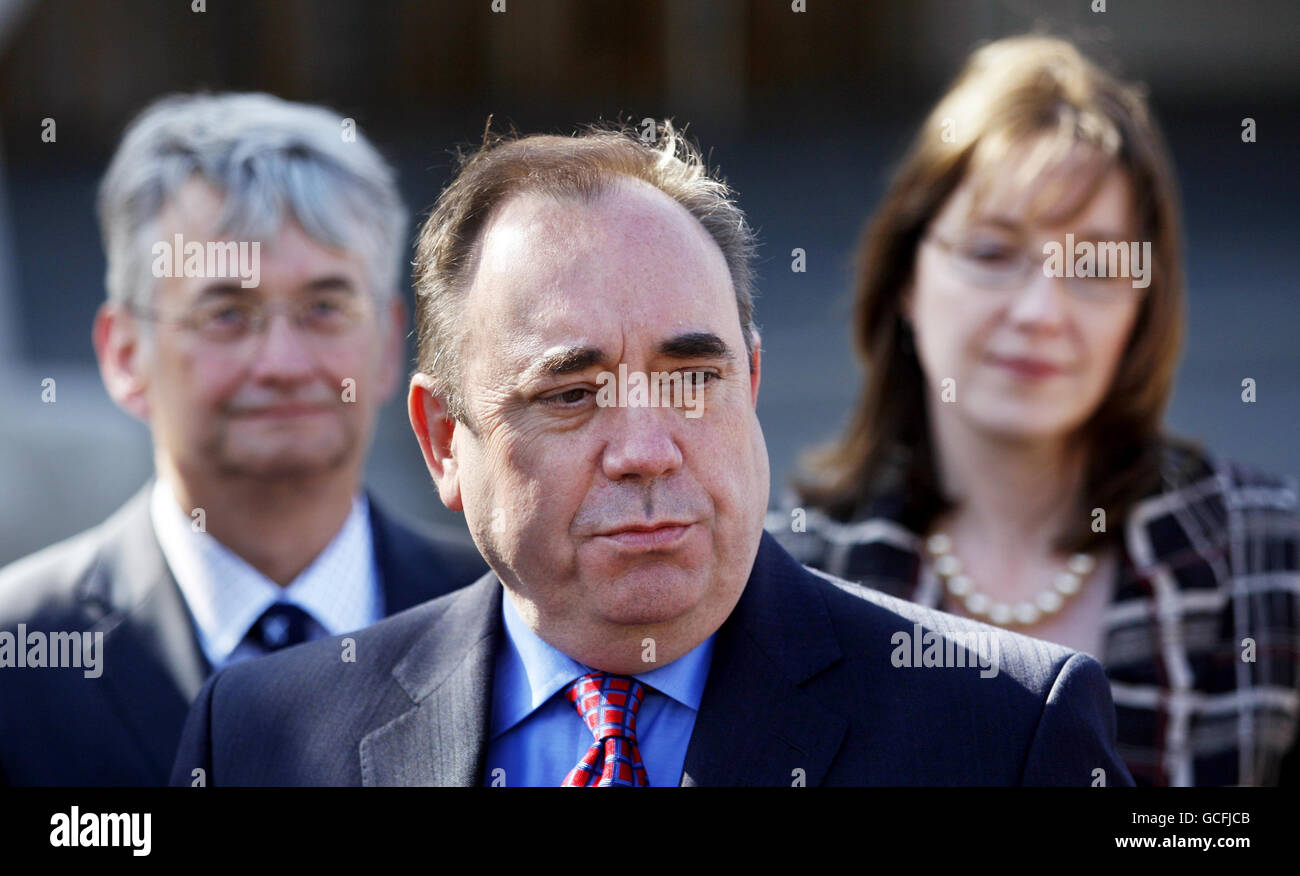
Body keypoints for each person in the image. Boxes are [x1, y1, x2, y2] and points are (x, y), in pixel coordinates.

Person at [168, 122, 1133, 787]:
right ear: (440, 442)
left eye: (690, 378)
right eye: (570, 394)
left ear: (749, 386)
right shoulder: (264, 740)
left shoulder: (1000, 731)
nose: (643, 449)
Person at [767, 36, 1300, 786]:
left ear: (1141, 304)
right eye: (992, 252)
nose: (1041, 311)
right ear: (907, 281)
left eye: (1092, 266)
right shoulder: (791, 576)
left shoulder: (1270, 555)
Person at [0, 93, 486, 786]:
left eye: (325, 306)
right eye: (227, 312)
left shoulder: (505, 624)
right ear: (125, 354)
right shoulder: (18, 653)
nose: (283, 364)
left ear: (386, 343)